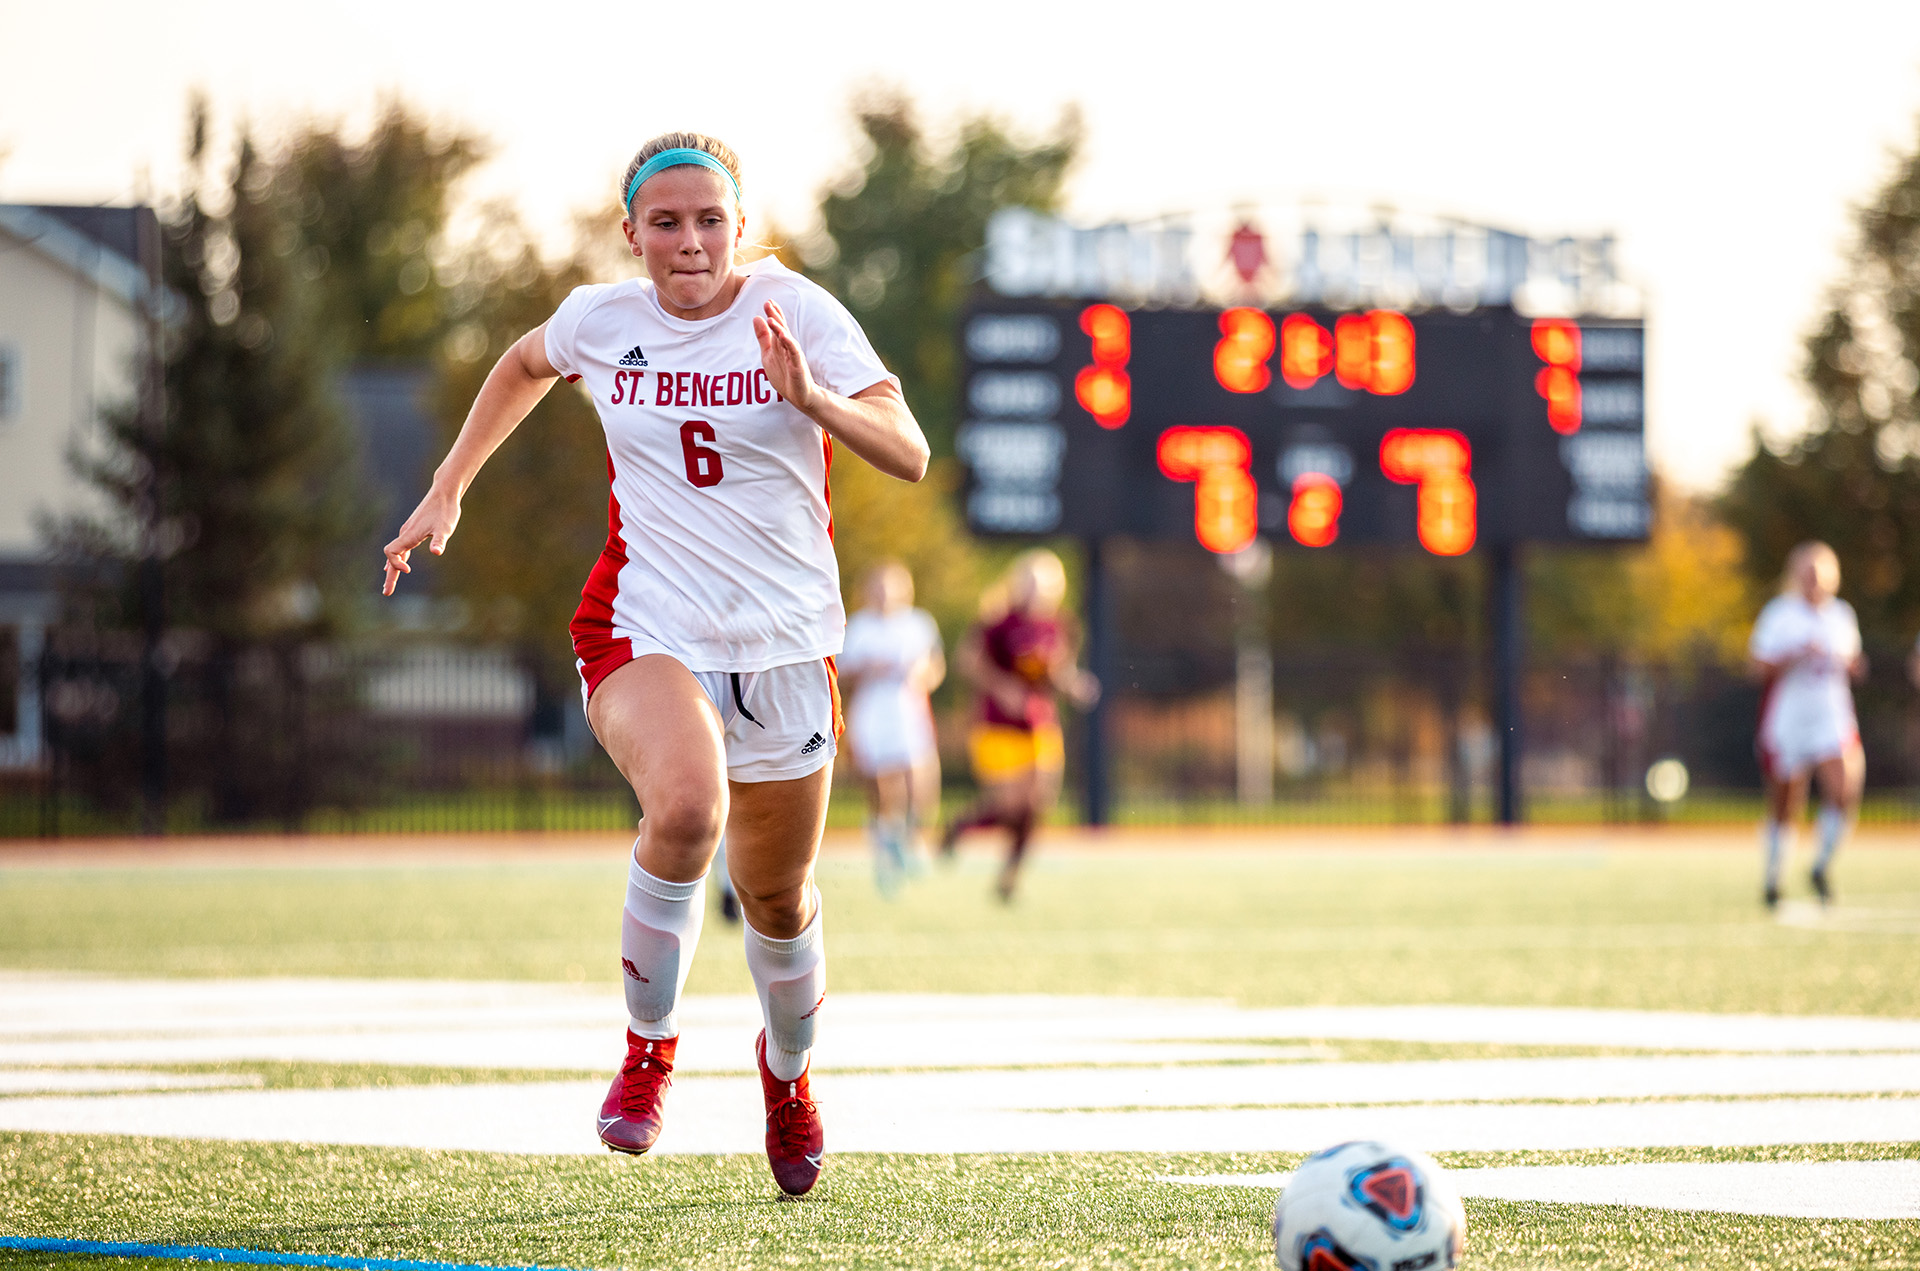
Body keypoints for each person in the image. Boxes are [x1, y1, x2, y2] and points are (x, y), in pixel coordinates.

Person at [381, 133, 928, 1195]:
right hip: (644, 621)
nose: (689, 240)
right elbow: (523, 361)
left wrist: (813, 398)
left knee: (777, 897)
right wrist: (450, 485)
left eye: (710, 218)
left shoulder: (795, 310)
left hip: (780, 640)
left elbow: (907, 450)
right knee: (685, 808)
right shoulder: (603, 318)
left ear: (741, 224)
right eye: (665, 221)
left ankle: (787, 1075)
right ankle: (648, 1051)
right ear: (630, 232)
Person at [941, 549, 1098, 901]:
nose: (1035, 590)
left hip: (1039, 724)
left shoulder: (1060, 625)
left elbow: (1056, 673)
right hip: (998, 726)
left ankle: (1010, 874)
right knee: (1010, 808)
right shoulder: (998, 622)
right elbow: (968, 662)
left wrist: (1074, 686)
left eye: (1043, 584)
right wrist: (1002, 687)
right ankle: (961, 827)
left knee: (1038, 803)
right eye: (1029, 581)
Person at [1749, 541, 1865, 908]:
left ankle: (1820, 865)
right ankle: (1773, 877)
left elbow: (1854, 664)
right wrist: (1794, 654)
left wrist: (1843, 662)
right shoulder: (1780, 614)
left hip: (1831, 713)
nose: (1814, 581)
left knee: (1845, 787)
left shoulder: (1841, 615)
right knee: (1786, 801)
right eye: (1807, 574)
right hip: (1789, 717)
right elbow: (1758, 667)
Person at [837, 561, 945, 894]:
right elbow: (842, 671)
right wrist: (869, 668)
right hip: (873, 712)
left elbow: (935, 666)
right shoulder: (858, 627)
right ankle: (887, 848)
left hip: (908, 709)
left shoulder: (918, 623)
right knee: (882, 786)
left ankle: (913, 837)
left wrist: (921, 676)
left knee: (919, 778)